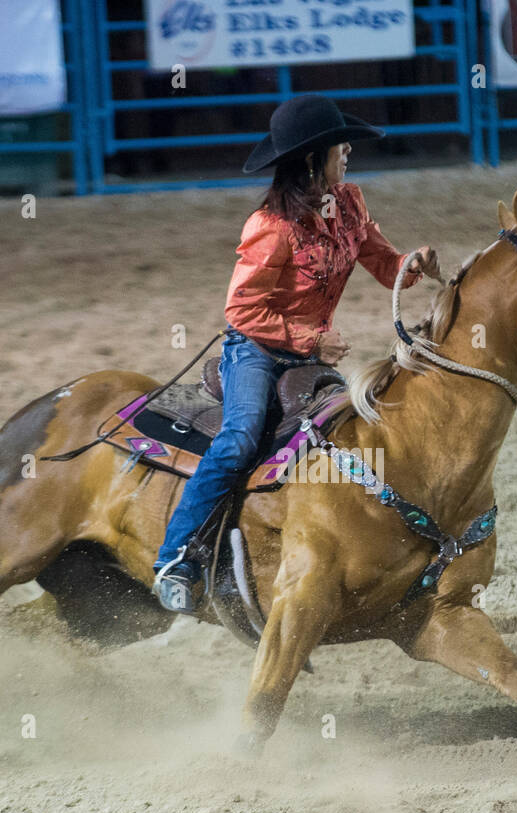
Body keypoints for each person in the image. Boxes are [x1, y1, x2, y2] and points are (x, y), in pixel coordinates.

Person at [151, 93, 438, 613]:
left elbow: (383, 263)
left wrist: (412, 263)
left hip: (309, 356)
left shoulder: (350, 204)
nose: (348, 149)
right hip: (256, 351)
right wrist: (312, 341)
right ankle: (175, 557)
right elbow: (241, 311)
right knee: (240, 439)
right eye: (338, 144)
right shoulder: (270, 227)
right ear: (312, 158)